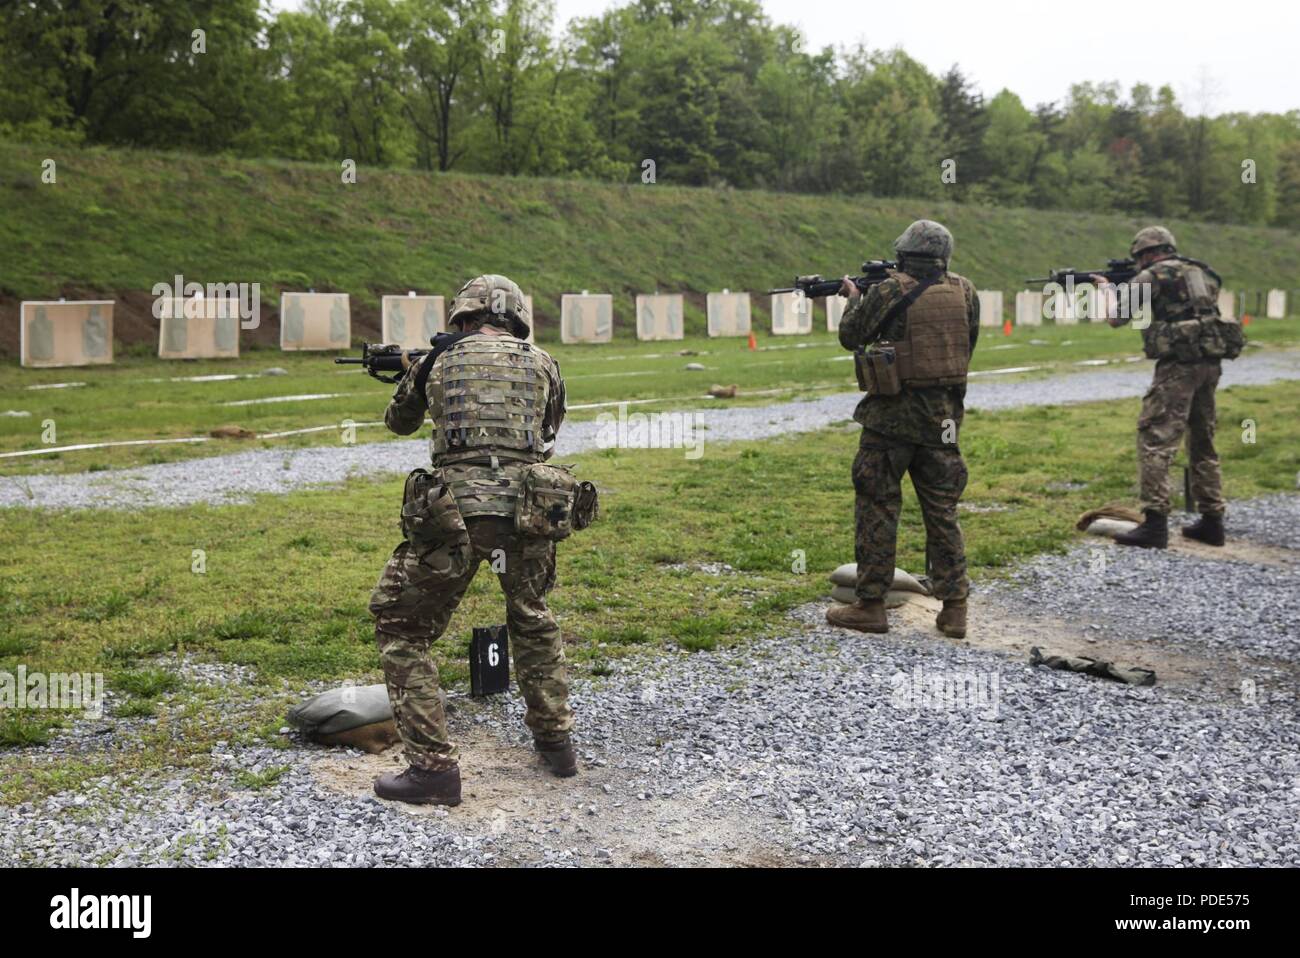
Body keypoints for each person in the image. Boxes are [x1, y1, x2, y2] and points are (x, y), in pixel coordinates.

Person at [368, 274, 575, 806]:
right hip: (529, 511)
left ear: (462, 314)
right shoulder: (544, 362)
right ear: (517, 317)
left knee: (402, 629)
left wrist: (413, 373)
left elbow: (399, 423)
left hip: (451, 514)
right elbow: (549, 432)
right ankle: (557, 745)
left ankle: (433, 769)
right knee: (531, 618)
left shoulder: (437, 361)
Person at [828, 220, 980, 639]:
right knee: (943, 510)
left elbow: (851, 336)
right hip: (945, 418)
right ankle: (955, 609)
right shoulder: (965, 290)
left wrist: (854, 299)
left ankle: (871, 605)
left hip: (891, 419)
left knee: (877, 505)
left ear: (904, 252)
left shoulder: (888, 290)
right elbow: (968, 341)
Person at [1091, 227, 1241, 549]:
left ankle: (1155, 524)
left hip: (1178, 366)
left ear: (1146, 254)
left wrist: (1105, 289)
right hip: (1210, 363)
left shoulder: (1150, 277)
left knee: (1156, 439)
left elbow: (1116, 318)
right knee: (1203, 440)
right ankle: (1212, 521)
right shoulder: (1201, 272)